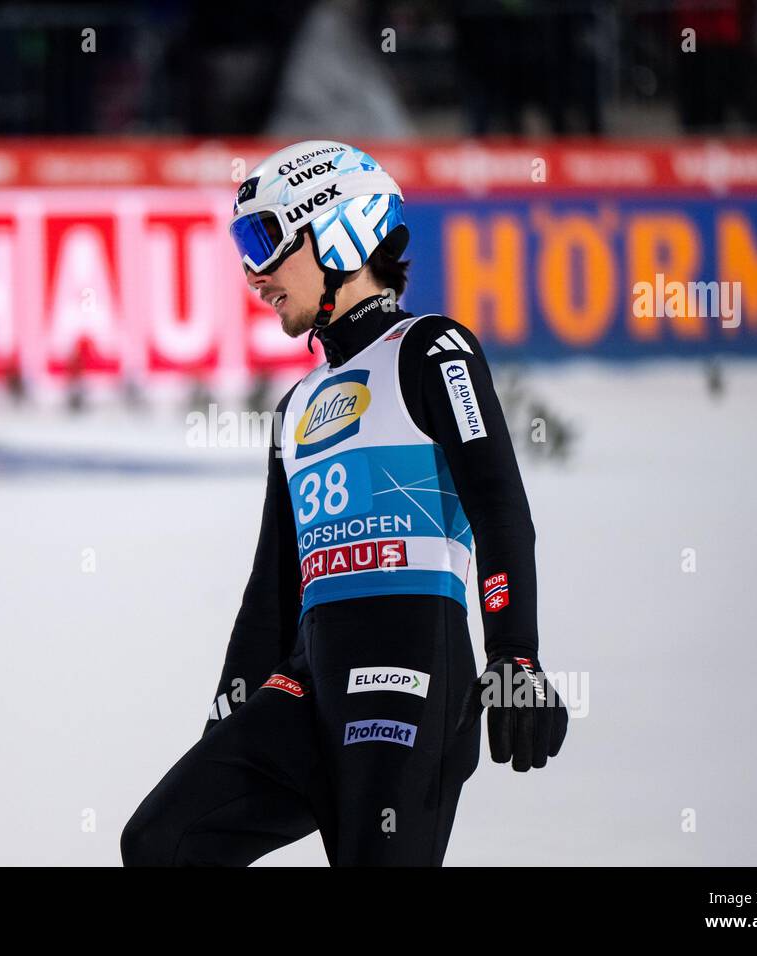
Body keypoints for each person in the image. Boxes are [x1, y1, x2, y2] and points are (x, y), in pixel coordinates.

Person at [121, 140, 567, 867]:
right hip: (308, 681)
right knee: (163, 843)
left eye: (263, 241)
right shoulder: (295, 406)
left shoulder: (431, 350)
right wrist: (229, 715)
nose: (253, 275)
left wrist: (515, 653)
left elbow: (498, 506)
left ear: (339, 230)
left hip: (409, 672)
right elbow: (274, 585)